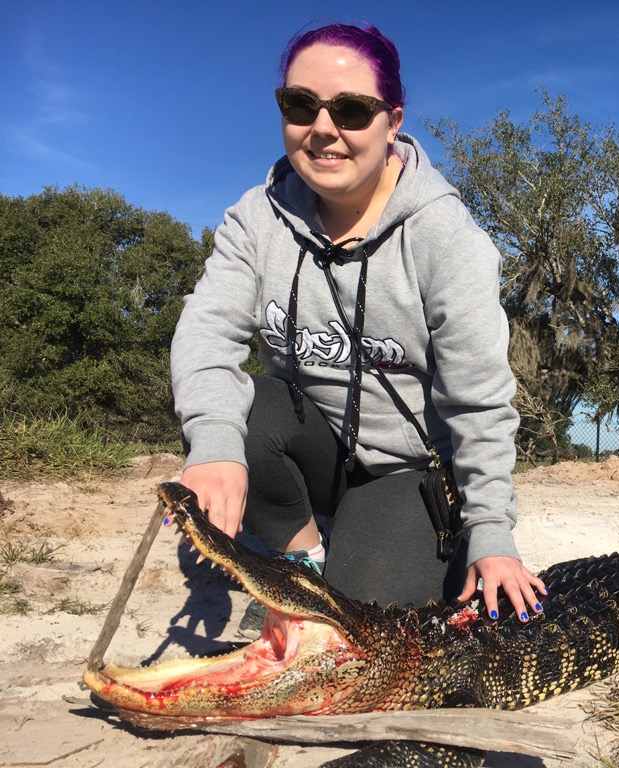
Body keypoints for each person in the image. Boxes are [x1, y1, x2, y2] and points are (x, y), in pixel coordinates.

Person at [170, 21, 545, 638]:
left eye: (350, 109)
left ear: (392, 120)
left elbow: (478, 400)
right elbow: (206, 335)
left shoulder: (446, 238)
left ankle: (383, 542)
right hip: (316, 447)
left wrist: (492, 534)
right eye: (300, 105)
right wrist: (212, 447)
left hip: (407, 469)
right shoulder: (256, 218)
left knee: (361, 635)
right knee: (250, 409)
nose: (323, 128)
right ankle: (301, 561)